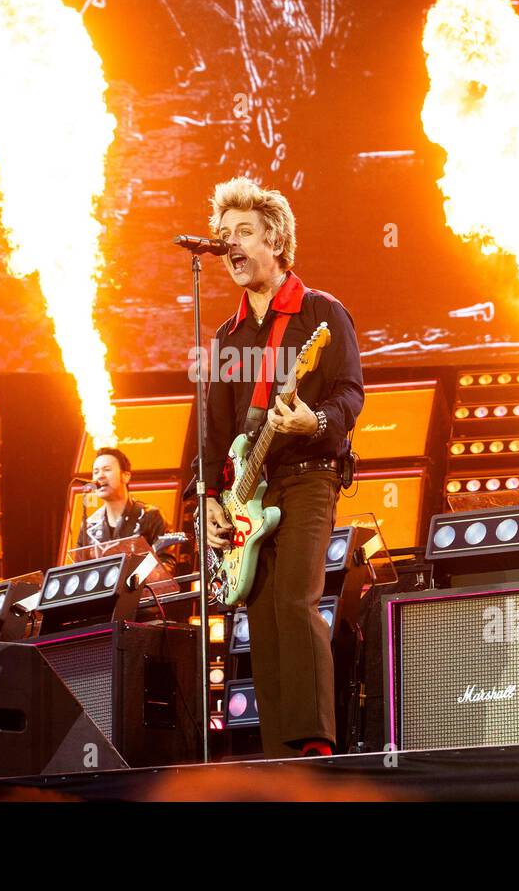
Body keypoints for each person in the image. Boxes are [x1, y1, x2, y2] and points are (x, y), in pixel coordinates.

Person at [198, 176, 364, 759]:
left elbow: (349, 394)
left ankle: (316, 743)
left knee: (295, 599)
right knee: (259, 620)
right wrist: (212, 503)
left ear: (277, 241)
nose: (231, 246)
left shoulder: (322, 314)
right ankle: (277, 756)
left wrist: (313, 423)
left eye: (244, 233)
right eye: (224, 237)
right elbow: (214, 437)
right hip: (248, 493)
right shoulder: (224, 338)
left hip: (310, 476)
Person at [76, 447, 168, 551]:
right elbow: (80, 565)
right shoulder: (89, 526)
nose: (100, 476)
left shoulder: (151, 516)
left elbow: (165, 560)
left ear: (126, 476)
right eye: (96, 472)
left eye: (107, 470)